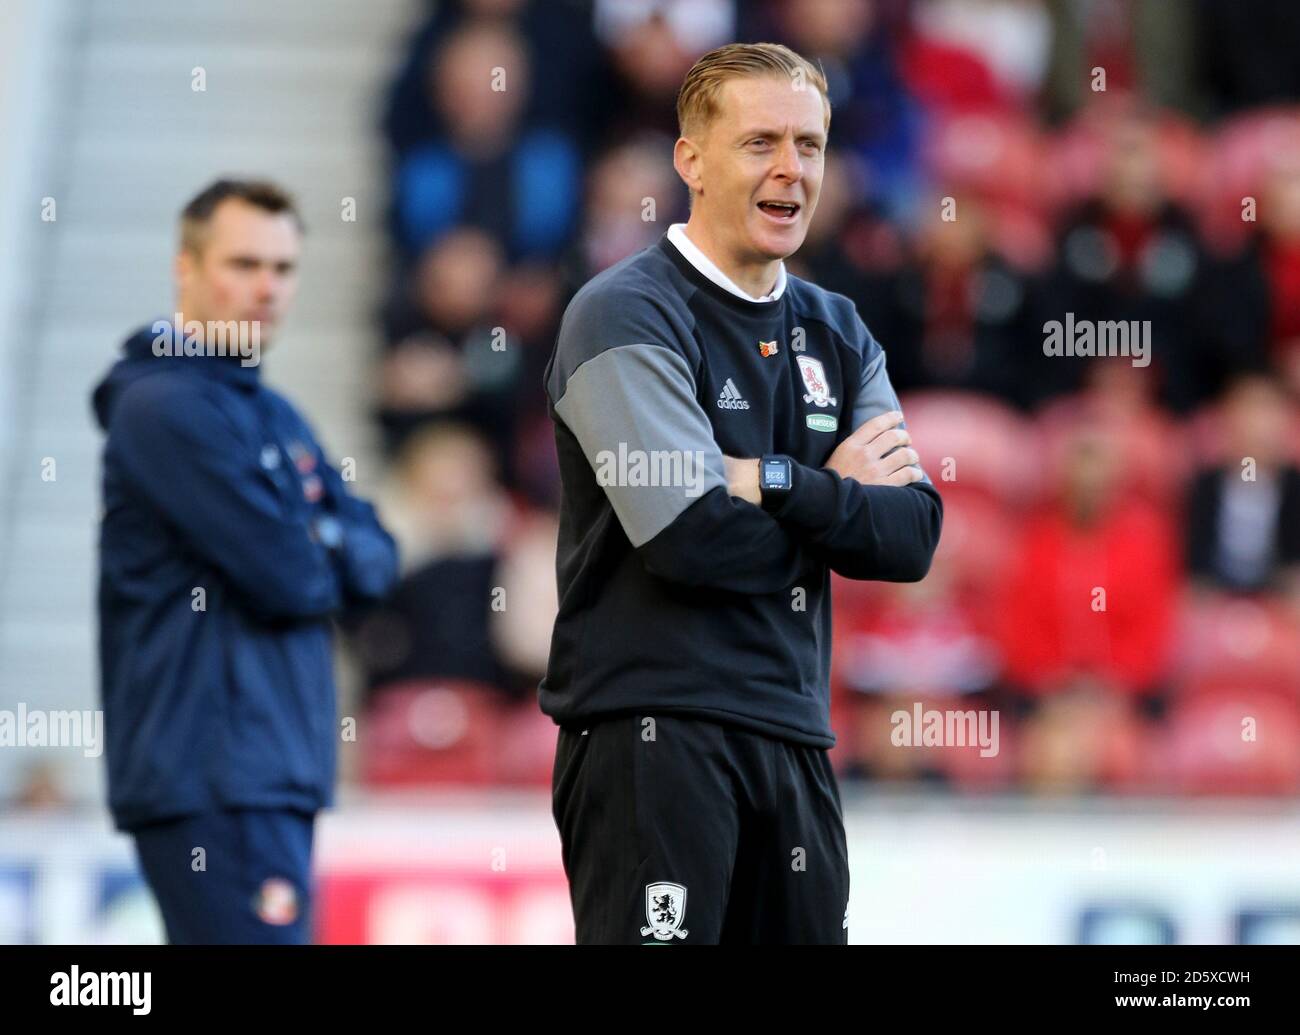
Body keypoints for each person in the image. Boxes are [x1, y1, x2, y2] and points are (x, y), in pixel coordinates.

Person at [541, 42, 943, 944]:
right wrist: (837, 500)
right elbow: (688, 536)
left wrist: (767, 479)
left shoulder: (838, 330)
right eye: (761, 142)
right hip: (654, 733)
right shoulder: (625, 311)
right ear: (690, 160)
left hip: (795, 735)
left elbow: (911, 535)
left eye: (810, 145)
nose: (791, 171)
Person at [91, 179, 399, 944]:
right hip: (215, 773)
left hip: (263, 770)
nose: (267, 288)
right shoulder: (164, 407)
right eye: (244, 263)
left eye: (285, 268)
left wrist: (317, 537)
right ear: (185, 268)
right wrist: (321, 534)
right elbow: (291, 576)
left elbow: (379, 558)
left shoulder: (273, 412)